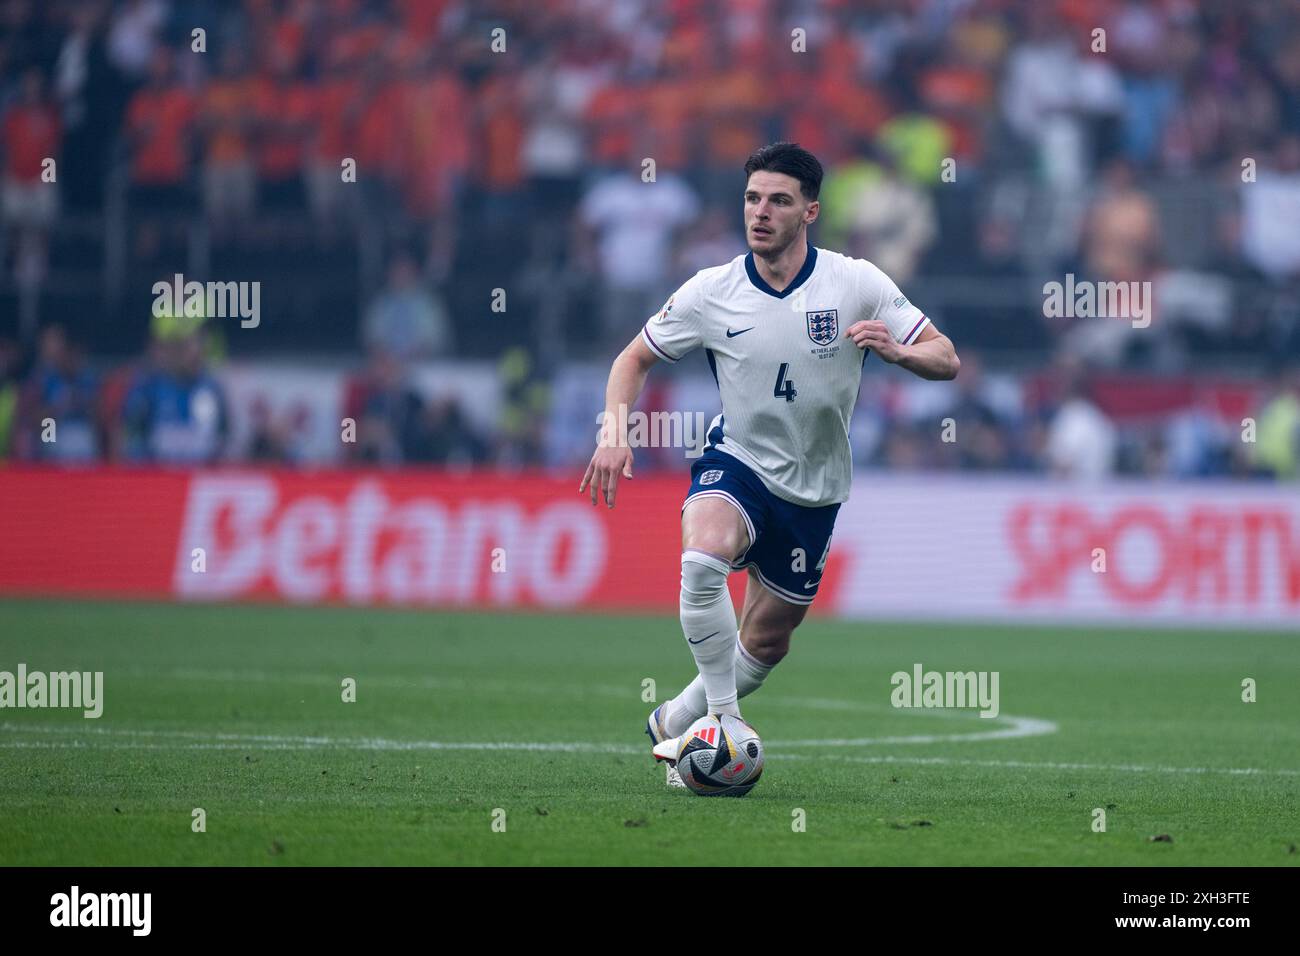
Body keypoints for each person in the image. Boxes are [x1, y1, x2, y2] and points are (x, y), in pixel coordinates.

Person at [578, 143, 960, 787]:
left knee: (767, 641)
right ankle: (725, 727)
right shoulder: (711, 290)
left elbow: (946, 357)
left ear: (810, 211)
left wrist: (899, 352)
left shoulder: (857, 282)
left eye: (778, 201)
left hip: (816, 491)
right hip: (739, 464)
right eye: (752, 198)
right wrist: (614, 431)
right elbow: (631, 359)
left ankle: (678, 717)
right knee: (702, 560)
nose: (760, 212)